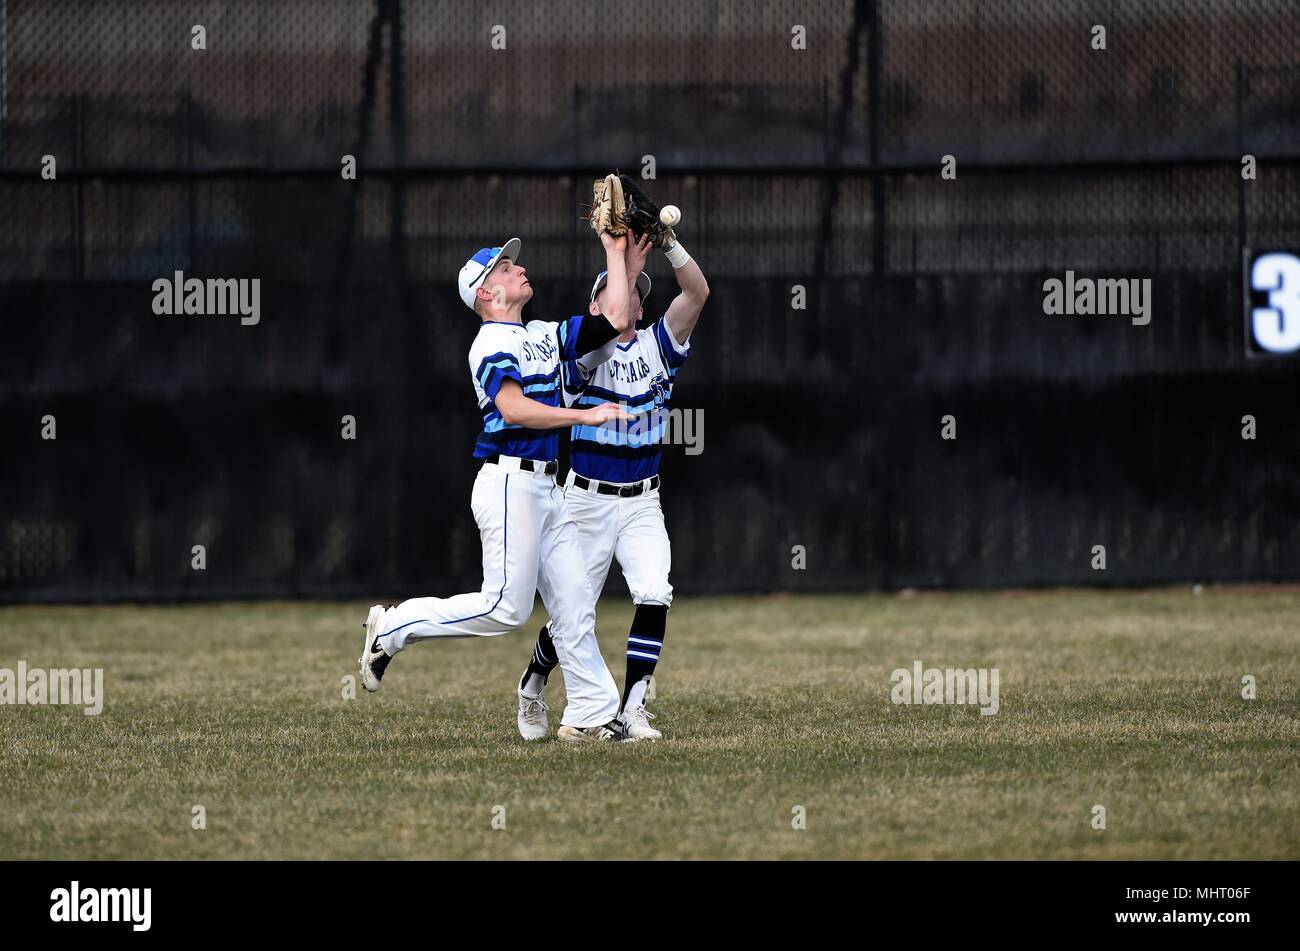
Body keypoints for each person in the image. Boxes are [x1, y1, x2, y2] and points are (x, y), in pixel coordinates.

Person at [357, 232, 638, 742]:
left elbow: (613, 321)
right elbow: (513, 409)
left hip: (547, 489)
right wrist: (585, 414)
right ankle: (394, 628)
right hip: (510, 484)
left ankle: (590, 716)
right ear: (486, 292)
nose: (518, 269)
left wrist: (617, 253)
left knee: (575, 602)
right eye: (505, 268)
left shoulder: (542, 333)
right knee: (505, 609)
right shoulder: (489, 342)